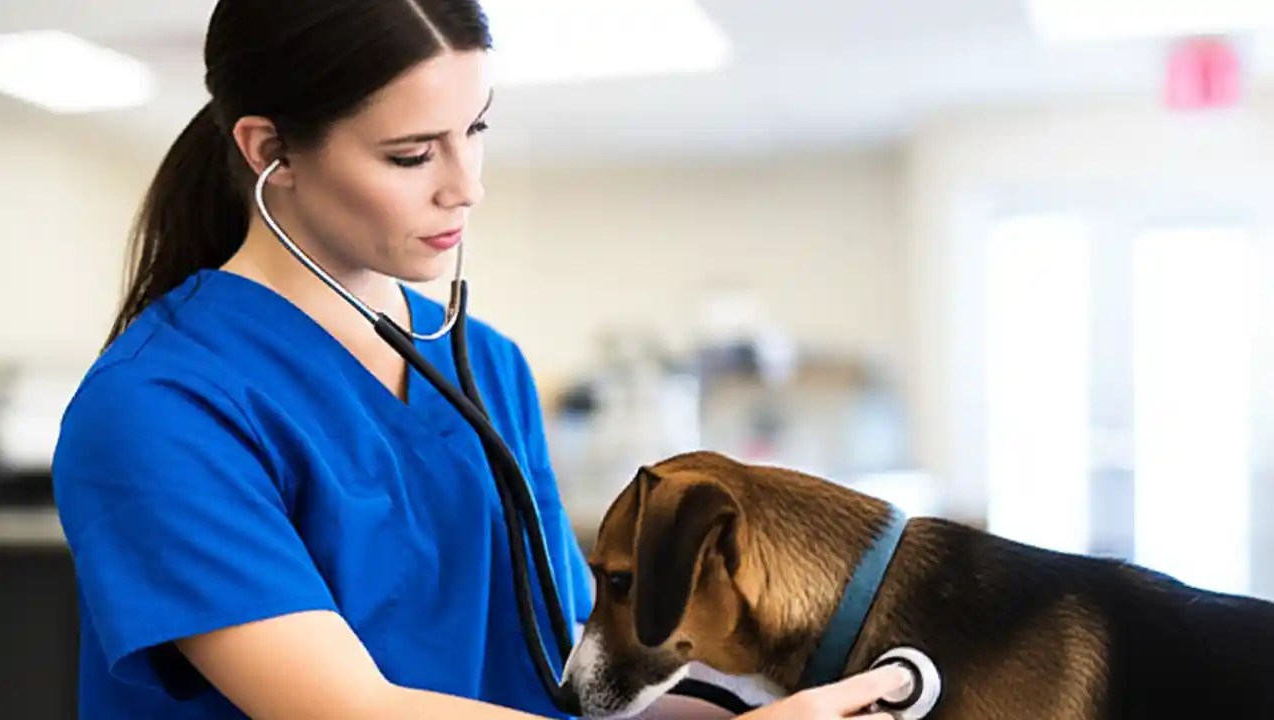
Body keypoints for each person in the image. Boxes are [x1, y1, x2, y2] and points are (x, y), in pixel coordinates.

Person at [50, 1, 911, 718]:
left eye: (476, 129)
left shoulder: (484, 366)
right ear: (267, 151)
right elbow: (348, 710)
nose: (466, 185)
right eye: (412, 154)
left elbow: (558, 678)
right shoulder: (158, 407)